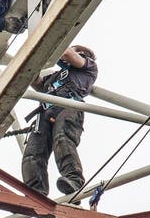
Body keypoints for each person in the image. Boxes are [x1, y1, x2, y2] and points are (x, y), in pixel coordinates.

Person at [21, 45, 98, 199]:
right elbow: (36, 82)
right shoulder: (56, 76)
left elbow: (67, 52)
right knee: (33, 153)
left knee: (62, 140)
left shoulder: (88, 68)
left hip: (68, 106)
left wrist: (54, 48)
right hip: (46, 113)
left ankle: (74, 180)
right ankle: (35, 191)